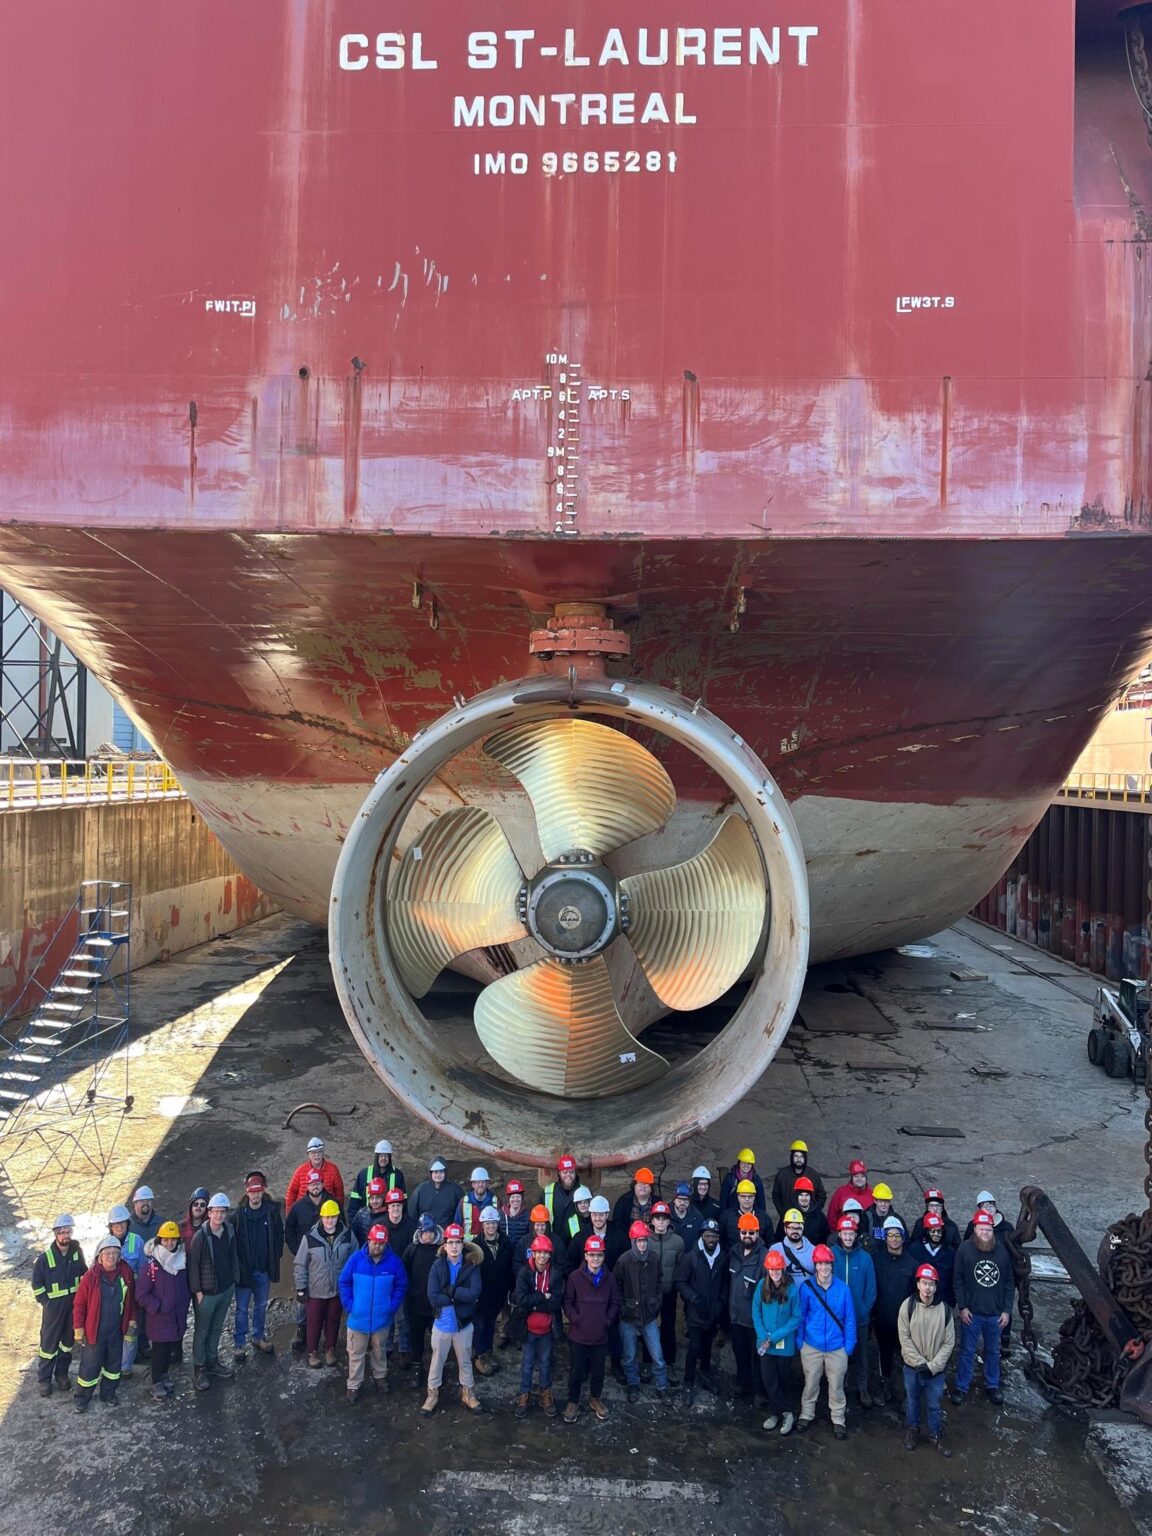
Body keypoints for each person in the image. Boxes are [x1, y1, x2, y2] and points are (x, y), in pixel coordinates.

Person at [339, 1221, 407, 1402]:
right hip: (357, 1319)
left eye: (381, 1243)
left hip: (382, 1320)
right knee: (355, 1353)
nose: (377, 1246)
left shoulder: (394, 1263)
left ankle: (380, 1376)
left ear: (386, 1243)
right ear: (368, 1241)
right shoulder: (355, 1259)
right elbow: (344, 1282)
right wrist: (350, 1306)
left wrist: (391, 1307)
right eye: (374, 1242)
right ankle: (353, 1385)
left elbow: (401, 1286)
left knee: (380, 1350)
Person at [951, 1210, 1013, 1406]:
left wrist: (1006, 1310)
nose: (985, 1233)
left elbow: (1009, 1282)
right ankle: (962, 1387)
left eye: (988, 1229)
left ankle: (992, 1385)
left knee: (993, 1351)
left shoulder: (1002, 1251)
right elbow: (958, 1280)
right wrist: (962, 1306)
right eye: (982, 1229)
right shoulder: (964, 1249)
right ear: (975, 1229)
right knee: (967, 1351)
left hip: (995, 1314)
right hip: (972, 1313)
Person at [795, 1244, 857, 1440]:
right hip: (811, 1345)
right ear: (815, 1265)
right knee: (811, 1382)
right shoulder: (806, 1288)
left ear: (832, 1265)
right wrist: (800, 1342)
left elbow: (849, 1318)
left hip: (836, 1346)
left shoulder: (843, 1289)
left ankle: (838, 1419)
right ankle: (806, 1414)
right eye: (820, 1264)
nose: (823, 1268)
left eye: (827, 1264)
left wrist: (849, 1346)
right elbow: (801, 1316)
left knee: (836, 1384)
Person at [422, 1223, 483, 1416]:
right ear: (445, 1244)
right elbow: (433, 1297)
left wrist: (450, 1291)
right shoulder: (437, 1265)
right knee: (436, 1361)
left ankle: (468, 1392)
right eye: (451, 1242)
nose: (454, 1246)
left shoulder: (471, 1266)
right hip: (442, 1323)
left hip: (463, 1324)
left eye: (458, 1242)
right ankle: (432, 1394)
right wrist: (456, 1297)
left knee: (465, 1360)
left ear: (462, 1244)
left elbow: (474, 1293)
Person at [72, 1235, 134, 1412]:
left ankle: (108, 1393)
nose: (111, 1257)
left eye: (115, 1253)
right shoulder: (90, 1277)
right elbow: (79, 1304)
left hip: (116, 1329)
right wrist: (78, 1328)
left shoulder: (126, 1273)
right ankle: (82, 1397)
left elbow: (132, 1301)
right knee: (90, 1366)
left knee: (113, 1366)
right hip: (94, 1331)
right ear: (100, 1256)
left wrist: (132, 1321)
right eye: (107, 1253)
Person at [899, 1262, 956, 1455]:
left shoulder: (945, 1311)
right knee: (912, 1401)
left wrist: (933, 1366)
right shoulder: (907, 1306)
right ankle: (912, 1430)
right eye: (924, 1283)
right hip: (912, 1368)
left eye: (931, 1284)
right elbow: (904, 1338)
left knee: (934, 1405)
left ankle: (935, 1435)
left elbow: (949, 1343)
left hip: (935, 1371)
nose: (927, 1288)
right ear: (918, 1284)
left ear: (936, 1286)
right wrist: (920, 1363)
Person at [563, 1234, 620, 1422]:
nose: (596, 1259)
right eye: (592, 1255)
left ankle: (595, 1398)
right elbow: (568, 1302)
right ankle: (573, 1401)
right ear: (585, 1256)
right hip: (578, 1335)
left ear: (603, 1257)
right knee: (577, 1370)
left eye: (599, 1255)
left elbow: (614, 1302)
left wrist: (607, 1319)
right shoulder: (574, 1277)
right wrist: (575, 1318)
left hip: (600, 1335)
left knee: (598, 1370)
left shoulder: (609, 1279)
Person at [186, 1192, 237, 1391]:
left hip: (225, 1289)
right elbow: (193, 1265)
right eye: (216, 1212)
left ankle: (212, 1361)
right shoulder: (200, 1237)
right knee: (202, 1330)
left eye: (223, 1212)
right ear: (209, 1213)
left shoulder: (229, 1231)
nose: (219, 1216)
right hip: (206, 1293)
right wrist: (197, 1291)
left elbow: (233, 1256)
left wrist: (234, 1281)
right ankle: (199, 1367)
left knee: (217, 1327)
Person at [294, 1198, 353, 1368]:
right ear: (321, 1218)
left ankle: (330, 1349)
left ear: (338, 1218)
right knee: (314, 1321)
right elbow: (300, 1264)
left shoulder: (347, 1236)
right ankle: (312, 1352)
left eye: (333, 1217)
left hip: (337, 1290)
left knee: (333, 1320)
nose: (330, 1221)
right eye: (327, 1217)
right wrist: (301, 1288)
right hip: (316, 1290)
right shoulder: (310, 1238)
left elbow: (355, 1259)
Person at [615, 1220, 671, 1400]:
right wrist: (624, 1308)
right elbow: (616, 1287)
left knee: (658, 1355)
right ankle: (633, 1384)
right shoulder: (624, 1261)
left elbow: (660, 1282)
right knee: (629, 1356)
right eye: (639, 1240)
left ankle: (662, 1386)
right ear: (633, 1241)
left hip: (649, 1316)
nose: (642, 1244)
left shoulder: (653, 1258)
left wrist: (656, 1303)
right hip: (629, 1318)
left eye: (645, 1240)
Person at [32, 1214, 86, 1397]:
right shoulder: (45, 1258)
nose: (65, 1235)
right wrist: (47, 1303)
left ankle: (62, 1374)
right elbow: (37, 1284)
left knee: (67, 1343)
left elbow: (84, 1274)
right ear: (56, 1234)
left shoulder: (77, 1252)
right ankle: (44, 1379)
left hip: (73, 1307)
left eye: (68, 1231)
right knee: (48, 1345)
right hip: (54, 1310)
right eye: (62, 1232)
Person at [135, 1222, 190, 1401]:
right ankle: (155, 1381)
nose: (169, 1243)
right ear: (160, 1240)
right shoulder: (151, 1265)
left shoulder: (181, 1261)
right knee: (159, 1350)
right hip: (159, 1318)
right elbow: (141, 1294)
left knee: (168, 1349)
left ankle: (164, 1374)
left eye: (173, 1240)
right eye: (166, 1240)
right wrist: (157, 1307)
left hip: (175, 1315)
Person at [232, 1171, 283, 1361]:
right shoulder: (238, 1216)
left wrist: (274, 1258)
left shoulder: (271, 1212)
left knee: (261, 1306)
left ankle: (258, 1337)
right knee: (241, 1309)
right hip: (245, 1272)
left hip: (263, 1270)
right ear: (247, 1193)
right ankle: (239, 1344)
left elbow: (279, 1235)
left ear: (263, 1191)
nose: (255, 1195)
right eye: (252, 1192)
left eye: (258, 1191)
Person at [511, 1236, 562, 1418]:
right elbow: (521, 1300)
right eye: (538, 1252)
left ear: (550, 1255)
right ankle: (524, 1393)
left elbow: (556, 1303)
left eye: (545, 1253)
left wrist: (533, 1302)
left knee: (546, 1363)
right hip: (528, 1329)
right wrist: (542, 1297)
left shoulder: (555, 1275)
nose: (541, 1256)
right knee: (527, 1364)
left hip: (547, 1329)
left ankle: (545, 1393)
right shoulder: (524, 1273)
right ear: (533, 1253)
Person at [676, 1218, 726, 1405]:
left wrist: (721, 1302)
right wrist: (693, 1298)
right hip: (696, 1312)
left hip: (714, 1312)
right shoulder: (691, 1257)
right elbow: (680, 1282)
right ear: (701, 1236)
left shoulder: (723, 1257)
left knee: (707, 1345)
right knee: (694, 1346)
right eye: (707, 1235)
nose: (711, 1239)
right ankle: (688, 1382)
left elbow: (725, 1284)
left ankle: (705, 1374)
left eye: (714, 1236)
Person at [830, 1214, 877, 1407]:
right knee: (838, 1356)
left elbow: (871, 1290)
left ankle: (862, 1387)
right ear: (839, 1234)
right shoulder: (831, 1256)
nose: (848, 1237)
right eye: (845, 1233)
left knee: (861, 1355)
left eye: (851, 1233)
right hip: (837, 1320)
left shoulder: (865, 1258)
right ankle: (840, 1387)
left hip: (859, 1319)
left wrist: (862, 1313)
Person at [753, 1250, 801, 1434]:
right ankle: (776, 1412)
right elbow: (756, 1312)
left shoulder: (791, 1289)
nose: (774, 1272)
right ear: (767, 1269)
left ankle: (787, 1413)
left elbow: (796, 1317)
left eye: (777, 1269)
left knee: (784, 1379)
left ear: (782, 1268)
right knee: (769, 1379)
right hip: (764, 1343)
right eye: (771, 1269)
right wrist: (763, 1335)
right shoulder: (761, 1287)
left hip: (783, 1344)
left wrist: (773, 1337)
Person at [872, 1218, 918, 1405]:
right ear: (885, 1238)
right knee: (885, 1355)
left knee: (905, 1358)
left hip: (905, 1322)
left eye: (897, 1235)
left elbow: (916, 1294)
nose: (894, 1239)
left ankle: (904, 1393)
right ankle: (885, 1388)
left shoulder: (912, 1264)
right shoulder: (877, 1260)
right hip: (882, 1320)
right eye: (890, 1235)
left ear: (903, 1237)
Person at [285, 1167, 329, 1352]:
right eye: (312, 1184)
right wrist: (299, 1253)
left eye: (318, 1183)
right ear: (307, 1186)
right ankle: (301, 1328)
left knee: (328, 1295)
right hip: (306, 1261)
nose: (315, 1187)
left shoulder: (331, 1203)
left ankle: (328, 1333)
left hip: (326, 1261)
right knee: (303, 1296)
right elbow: (289, 1232)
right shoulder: (298, 1208)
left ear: (322, 1184)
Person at [727, 1213, 768, 1403]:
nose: (748, 1236)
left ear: (758, 1233)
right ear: (739, 1233)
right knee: (740, 1354)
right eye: (744, 1232)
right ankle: (742, 1384)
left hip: (755, 1320)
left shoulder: (764, 1257)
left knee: (757, 1358)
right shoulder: (733, 1253)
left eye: (752, 1233)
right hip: (735, 1317)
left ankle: (759, 1392)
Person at [472, 1206, 513, 1376]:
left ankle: (488, 1352)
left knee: (490, 1326)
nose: (491, 1226)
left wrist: (510, 1289)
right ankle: (480, 1357)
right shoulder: (475, 1245)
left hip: (497, 1294)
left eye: (493, 1223)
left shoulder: (505, 1243)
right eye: (488, 1223)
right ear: (482, 1224)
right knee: (480, 1326)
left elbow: (510, 1269)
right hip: (480, 1295)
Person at [402, 1216, 443, 1383]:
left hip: (436, 1306)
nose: (428, 1236)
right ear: (420, 1232)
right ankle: (417, 1366)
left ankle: (437, 1369)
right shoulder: (412, 1250)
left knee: (438, 1341)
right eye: (425, 1233)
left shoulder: (442, 1251)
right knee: (416, 1338)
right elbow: (404, 1272)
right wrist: (409, 1295)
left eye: (431, 1232)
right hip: (416, 1304)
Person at [106, 1205, 145, 1378]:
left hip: (132, 1296)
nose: (119, 1227)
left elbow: (144, 1270)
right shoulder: (104, 1244)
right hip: (112, 1297)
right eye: (115, 1224)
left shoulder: (137, 1241)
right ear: (110, 1227)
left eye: (122, 1223)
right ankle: (112, 1365)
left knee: (131, 1332)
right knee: (113, 1331)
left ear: (127, 1223)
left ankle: (126, 1367)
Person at [381, 1189, 416, 1366]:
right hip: (384, 1279)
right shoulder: (380, 1226)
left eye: (398, 1205)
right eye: (392, 1205)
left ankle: (403, 1349)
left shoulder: (411, 1226)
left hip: (403, 1279)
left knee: (402, 1318)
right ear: (387, 1207)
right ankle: (386, 1348)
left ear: (403, 1206)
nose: (395, 1209)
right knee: (386, 1316)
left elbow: (413, 1254)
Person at [649, 1201, 685, 1370]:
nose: (661, 1222)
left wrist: (676, 1286)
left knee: (669, 1327)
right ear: (652, 1221)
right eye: (658, 1218)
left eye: (664, 1219)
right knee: (649, 1327)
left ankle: (669, 1362)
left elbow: (680, 1267)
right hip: (650, 1293)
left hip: (669, 1292)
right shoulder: (646, 1241)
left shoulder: (678, 1242)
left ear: (669, 1221)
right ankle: (648, 1362)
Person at [908, 1213, 957, 1306]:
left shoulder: (951, 1253)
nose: (936, 1234)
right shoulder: (914, 1250)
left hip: (943, 1303)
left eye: (939, 1231)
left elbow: (954, 1279)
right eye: (933, 1231)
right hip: (918, 1303)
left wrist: (950, 1304)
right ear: (926, 1231)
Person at [348, 1138, 405, 1218]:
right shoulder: (364, 1174)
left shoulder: (397, 1175)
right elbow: (354, 1201)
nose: (383, 1158)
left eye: (386, 1156)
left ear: (390, 1158)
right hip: (366, 1220)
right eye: (381, 1155)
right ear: (376, 1157)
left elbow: (403, 1202)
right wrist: (353, 1224)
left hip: (389, 1221)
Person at [285, 1136, 345, 1211]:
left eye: (319, 1152)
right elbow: (291, 1193)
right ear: (308, 1154)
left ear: (323, 1153)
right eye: (313, 1152)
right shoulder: (300, 1171)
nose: (317, 1155)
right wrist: (290, 1216)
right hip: (303, 1211)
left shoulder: (333, 1170)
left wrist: (338, 1212)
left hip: (327, 1212)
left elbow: (339, 1192)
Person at [771, 1139, 827, 1217]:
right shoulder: (782, 1175)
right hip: (788, 1218)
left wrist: (813, 1212)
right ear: (791, 1157)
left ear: (805, 1158)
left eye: (801, 1156)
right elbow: (776, 1196)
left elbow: (822, 1196)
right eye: (796, 1156)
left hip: (809, 1219)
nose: (799, 1159)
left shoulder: (813, 1174)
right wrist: (783, 1213)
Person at [409, 1157, 464, 1229]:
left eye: (441, 1172)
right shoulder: (421, 1189)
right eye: (435, 1172)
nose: (438, 1175)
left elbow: (463, 1212)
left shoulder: (455, 1190)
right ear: (430, 1173)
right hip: (426, 1234)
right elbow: (412, 1214)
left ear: (445, 1172)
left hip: (448, 1235)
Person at [774, 1177, 829, 1246]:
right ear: (797, 1196)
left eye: (807, 1195)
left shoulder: (819, 1216)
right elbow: (779, 1237)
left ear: (811, 1197)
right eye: (801, 1195)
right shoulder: (787, 1214)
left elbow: (825, 1240)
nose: (804, 1198)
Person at [769, 1210, 816, 1286]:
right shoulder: (775, 1250)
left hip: (807, 1296)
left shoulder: (813, 1250)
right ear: (785, 1228)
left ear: (803, 1228)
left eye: (798, 1228)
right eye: (791, 1228)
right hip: (786, 1296)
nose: (795, 1231)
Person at [541, 1155, 582, 1237]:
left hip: (577, 1242)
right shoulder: (547, 1192)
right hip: (553, 1240)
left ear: (575, 1172)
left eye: (571, 1172)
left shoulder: (583, 1191)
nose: (568, 1175)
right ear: (559, 1173)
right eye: (565, 1172)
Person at [721, 1181, 770, 1248]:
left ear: (754, 1197)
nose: (747, 1199)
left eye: (750, 1196)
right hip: (732, 1257)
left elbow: (770, 1243)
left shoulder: (764, 1218)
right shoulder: (726, 1216)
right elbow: (721, 1241)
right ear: (738, 1197)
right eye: (743, 1196)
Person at [826, 1161, 874, 1229]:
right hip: (844, 1234)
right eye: (856, 1176)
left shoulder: (872, 1194)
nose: (859, 1179)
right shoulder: (841, 1192)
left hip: (865, 1235)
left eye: (862, 1176)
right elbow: (832, 1216)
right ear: (851, 1177)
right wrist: (835, 1234)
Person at [719, 1148, 766, 1213]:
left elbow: (761, 1202)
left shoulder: (756, 1180)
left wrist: (762, 1218)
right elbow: (723, 1201)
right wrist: (724, 1218)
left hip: (751, 1216)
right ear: (739, 1163)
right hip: (732, 1216)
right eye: (743, 1163)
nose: (746, 1166)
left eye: (749, 1163)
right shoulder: (730, 1178)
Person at [612, 1167, 657, 1232]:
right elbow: (617, 1222)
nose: (643, 1186)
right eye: (640, 1183)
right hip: (628, 1238)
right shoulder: (624, 1200)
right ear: (634, 1185)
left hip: (651, 1239)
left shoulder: (657, 1202)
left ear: (651, 1188)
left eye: (646, 1183)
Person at [351, 1176, 390, 1247]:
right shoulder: (361, 1214)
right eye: (372, 1198)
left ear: (383, 1197)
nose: (374, 1201)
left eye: (378, 1197)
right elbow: (353, 1237)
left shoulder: (389, 1216)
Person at [457, 1167, 495, 1239]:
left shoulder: (495, 1201)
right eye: (478, 1182)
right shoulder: (464, 1202)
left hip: (488, 1244)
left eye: (483, 1182)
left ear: (487, 1184)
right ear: (473, 1184)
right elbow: (457, 1224)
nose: (480, 1185)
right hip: (469, 1245)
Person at [552, 1185, 593, 1249]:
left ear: (590, 1203)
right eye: (580, 1203)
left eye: (585, 1202)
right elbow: (565, 1242)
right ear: (576, 1205)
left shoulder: (595, 1219)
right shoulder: (571, 1222)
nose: (583, 1205)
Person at [517, 1205, 557, 1269]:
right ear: (533, 1225)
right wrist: (525, 1277)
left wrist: (551, 1278)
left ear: (547, 1225)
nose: (540, 1228)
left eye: (542, 1225)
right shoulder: (524, 1241)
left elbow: (561, 1264)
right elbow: (517, 1263)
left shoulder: (556, 1241)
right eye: (537, 1225)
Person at [670, 1183, 703, 1252]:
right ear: (674, 1200)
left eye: (685, 1200)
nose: (682, 1202)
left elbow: (702, 1239)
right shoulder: (666, 1214)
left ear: (689, 1201)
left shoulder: (697, 1217)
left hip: (690, 1258)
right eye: (679, 1199)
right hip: (670, 1258)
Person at [500, 1179, 530, 1252]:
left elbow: (530, 1237)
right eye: (513, 1197)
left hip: (521, 1252)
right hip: (504, 1252)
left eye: (518, 1197)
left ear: (522, 1198)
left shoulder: (528, 1215)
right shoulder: (500, 1214)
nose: (515, 1200)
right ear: (509, 1199)